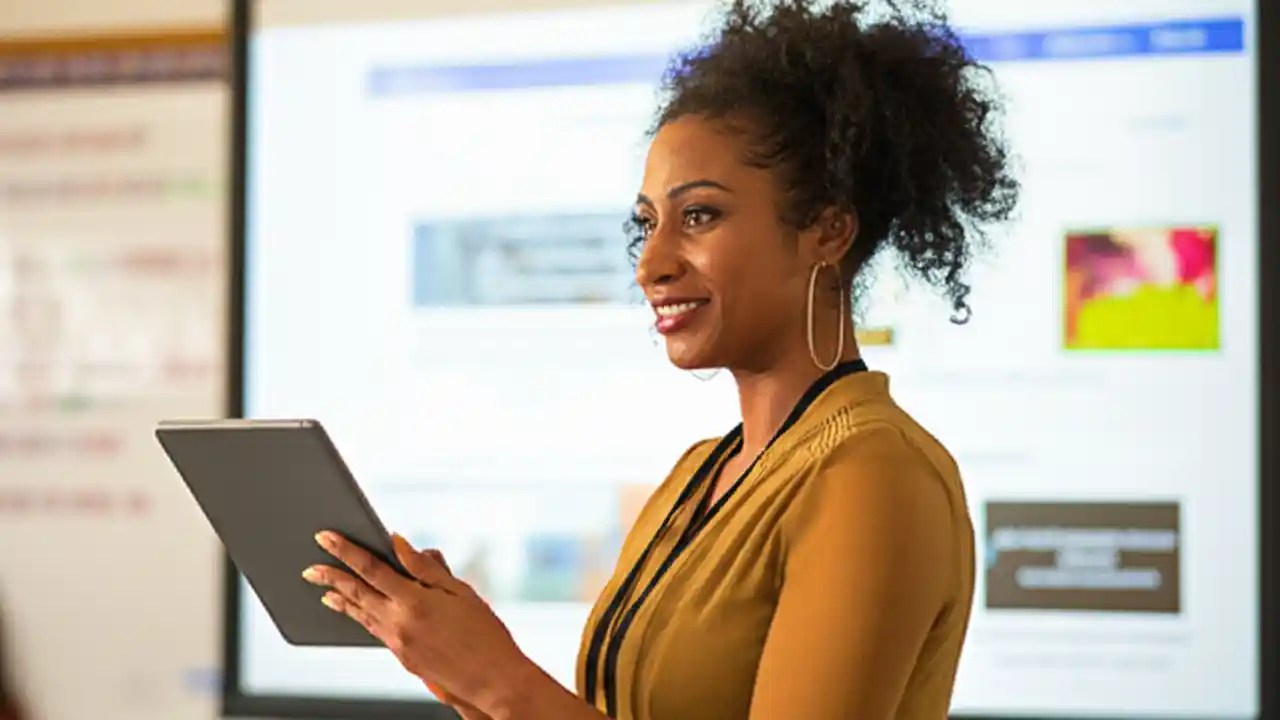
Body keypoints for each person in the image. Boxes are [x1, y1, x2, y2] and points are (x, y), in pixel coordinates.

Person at [302, 0, 1018, 717]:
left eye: (699, 215)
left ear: (827, 231)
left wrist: (498, 678)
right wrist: (453, 660)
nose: (650, 263)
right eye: (646, 223)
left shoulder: (870, 473)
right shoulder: (698, 473)